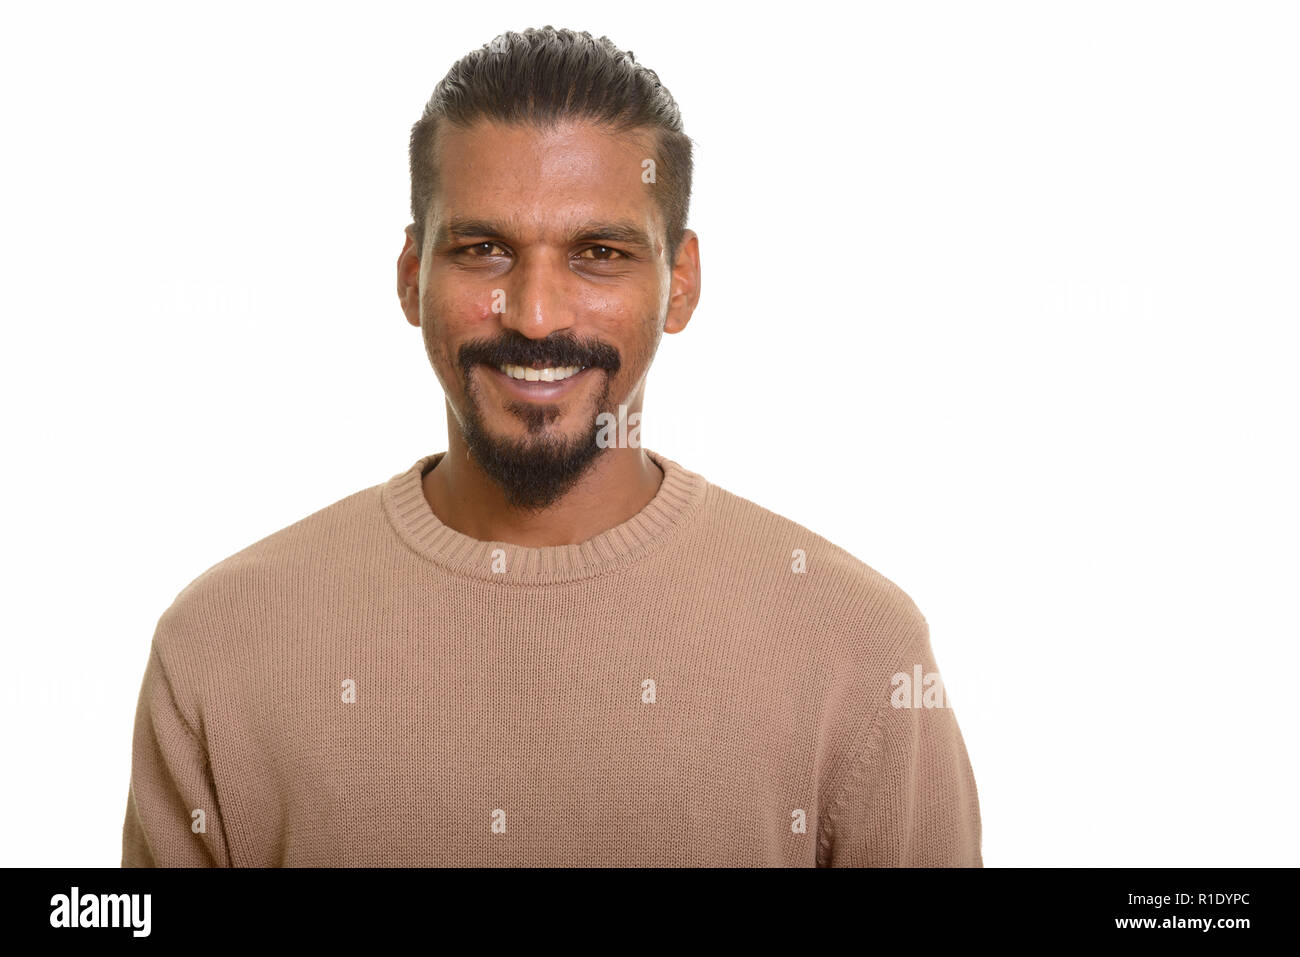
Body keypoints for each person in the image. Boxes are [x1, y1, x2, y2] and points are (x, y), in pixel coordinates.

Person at [121, 25, 981, 867]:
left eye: (599, 253)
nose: (535, 315)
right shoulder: (220, 646)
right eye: (483, 249)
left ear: (680, 283)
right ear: (409, 276)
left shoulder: (860, 650)